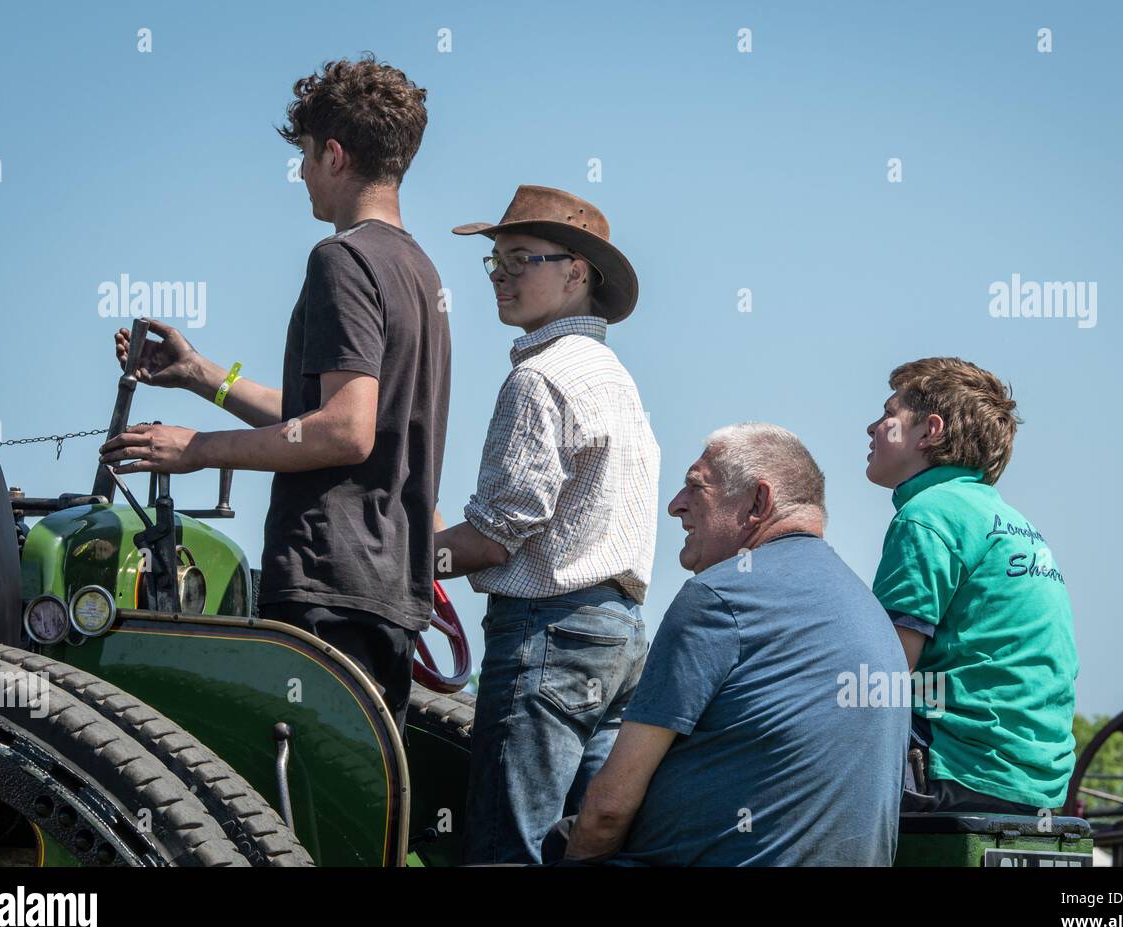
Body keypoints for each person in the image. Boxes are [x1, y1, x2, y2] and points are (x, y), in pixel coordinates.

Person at [99, 55, 450, 737]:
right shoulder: (419, 270)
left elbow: (343, 431)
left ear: (335, 155)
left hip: (326, 583)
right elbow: (328, 421)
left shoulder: (341, 259)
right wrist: (205, 376)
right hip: (384, 591)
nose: (301, 174)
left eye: (306, 156)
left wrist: (196, 449)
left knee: (294, 822)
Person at [556, 424, 910, 866]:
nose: (674, 506)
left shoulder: (719, 597)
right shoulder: (869, 611)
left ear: (759, 503)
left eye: (695, 486)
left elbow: (607, 811)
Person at [434, 185, 659, 864]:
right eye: (495, 262)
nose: (500, 275)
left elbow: (498, 532)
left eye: (520, 258)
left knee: (508, 847)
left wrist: (397, 561)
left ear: (576, 272)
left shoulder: (539, 379)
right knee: (585, 847)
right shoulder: (616, 379)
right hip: (618, 636)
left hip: (547, 633)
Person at [865, 357, 1077, 813]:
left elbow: (885, 673)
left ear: (929, 431)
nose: (872, 427)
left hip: (954, 770)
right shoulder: (1013, 523)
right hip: (1036, 785)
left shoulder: (929, 515)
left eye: (887, 414)